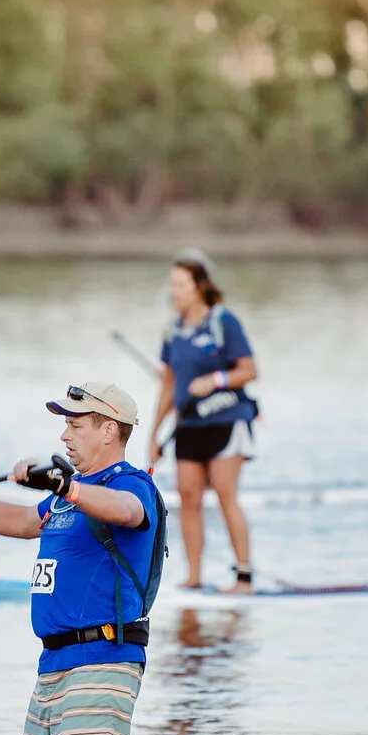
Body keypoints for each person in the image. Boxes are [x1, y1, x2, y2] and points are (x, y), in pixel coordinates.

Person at [0, 382, 222, 735]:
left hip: (103, 658)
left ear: (109, 430)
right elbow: (21, 522)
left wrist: (66, 486)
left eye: (75, 425)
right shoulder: (64, 499)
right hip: (52, 665)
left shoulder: (130, 485)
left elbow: (128, 513)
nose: (64, 435)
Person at [148, 249, 260, 592]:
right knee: (188, 496)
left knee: (226, 493)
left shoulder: (223, 321)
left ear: (198, 286)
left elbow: (250, 370)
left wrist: (216, 381)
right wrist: (154, 436)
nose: (174, 290)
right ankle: (194, 577)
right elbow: (169, 384)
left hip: (227, 420)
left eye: (180, 284)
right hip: (188, 427)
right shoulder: (173, 330)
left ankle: (244, 576)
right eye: (172, 284)